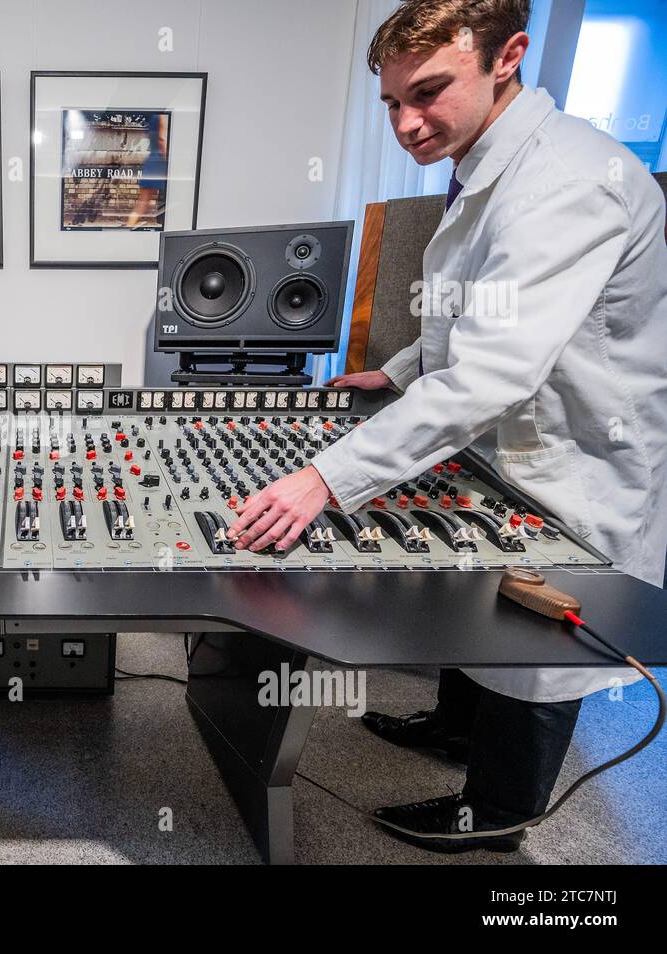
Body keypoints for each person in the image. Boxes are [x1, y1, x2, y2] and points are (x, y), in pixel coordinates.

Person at [230, 0, 667, 852]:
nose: (406, 122)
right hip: (507, 441)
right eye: (392, 103)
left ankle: (499, 814)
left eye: (427, 93)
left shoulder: (568, 181)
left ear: (509, 56)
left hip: (579, 458)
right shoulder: (487, 164)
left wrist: (324, 478)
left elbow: (494, 370)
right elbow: (469, 319)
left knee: (538, 630)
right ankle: (454, 730)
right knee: (485, 598)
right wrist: (393, 373)